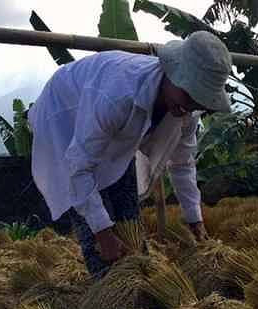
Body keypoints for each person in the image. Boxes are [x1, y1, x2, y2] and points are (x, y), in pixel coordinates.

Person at [28, 31, 232, 278]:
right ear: (171, 73)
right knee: (102, 248)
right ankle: (108, 283)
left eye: (198, 101)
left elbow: (183, 163)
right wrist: (103, 233)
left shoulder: (186, 109)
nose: (190, 106)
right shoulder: (116, 95)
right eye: (188, 95)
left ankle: (139, 275)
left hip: (111, 134)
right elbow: (78, 166)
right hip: (66, 117)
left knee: (129, 222)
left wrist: (194, 218)